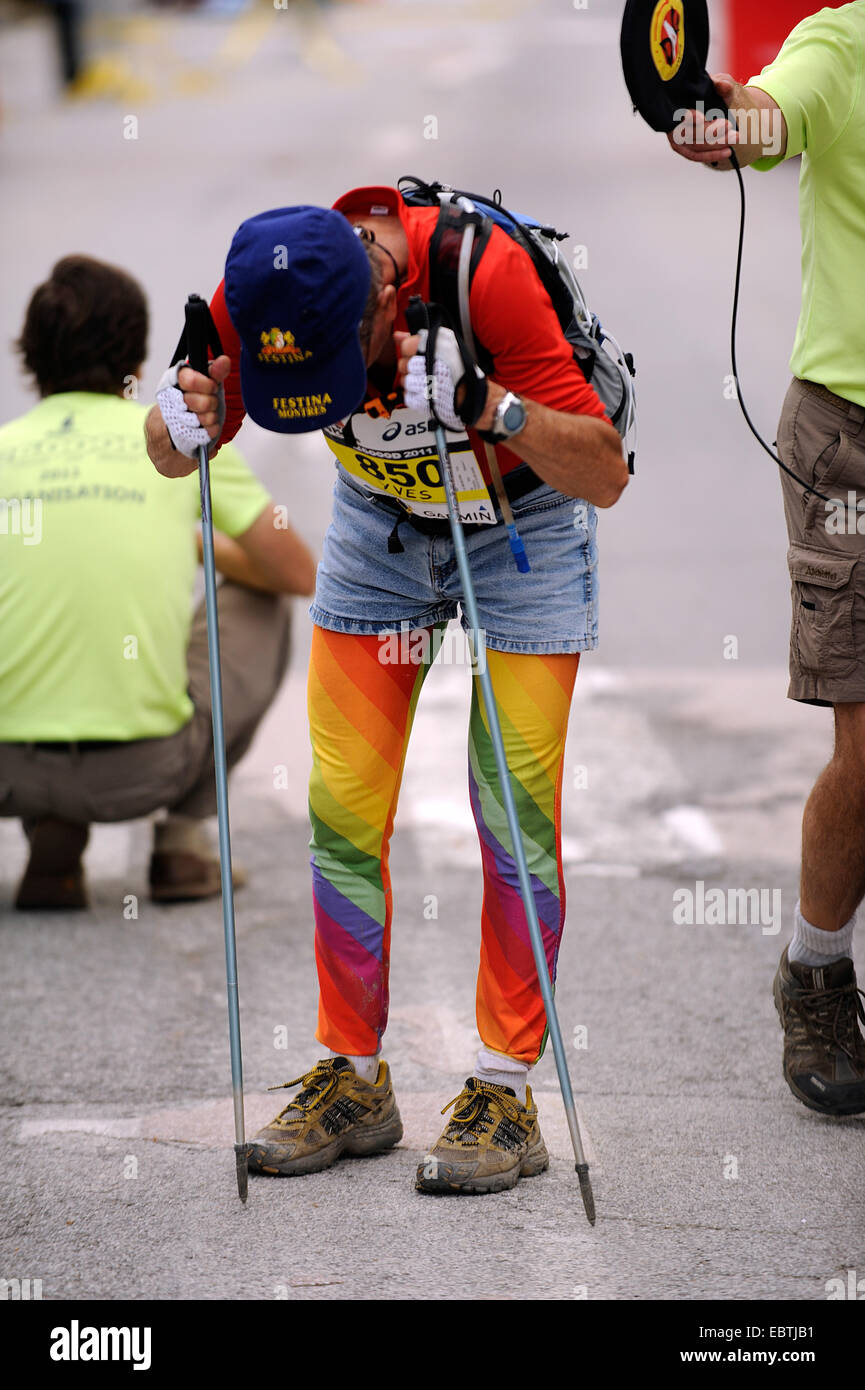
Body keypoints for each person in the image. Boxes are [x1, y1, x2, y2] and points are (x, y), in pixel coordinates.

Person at [146, 187, 628, 1193]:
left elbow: (605, 472)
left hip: (526, 525)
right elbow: (173, 447)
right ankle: (353, 1080)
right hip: (382, 528)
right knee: (343, 808)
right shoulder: (266, 289)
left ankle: (505, 1089)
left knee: (513, 817)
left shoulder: (480, 276)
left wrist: (486, 406)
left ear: (379, 300)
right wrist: (176, 419)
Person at [667, 2, 865, 1115]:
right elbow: (760, 117)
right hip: (850, 445)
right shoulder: (842, 46)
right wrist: (701, 114)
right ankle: (817, 970)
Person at [0, 254, 315, 910]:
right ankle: (181, 841)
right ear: (138, 364)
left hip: (8, 770)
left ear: (30, 357)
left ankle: (52, 837)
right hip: (142, 772)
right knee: (263, 596)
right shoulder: (173, 440)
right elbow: (296, 572)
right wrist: (196, 541)